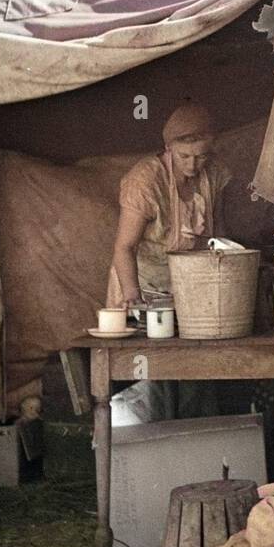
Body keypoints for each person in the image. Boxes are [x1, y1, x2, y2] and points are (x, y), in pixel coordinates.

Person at [107, 100, 234, 418]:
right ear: (167, 148)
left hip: (187, 292)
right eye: (184, 156)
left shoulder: (214, 174)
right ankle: (153, 456)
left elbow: (216, 237)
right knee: (152, 382)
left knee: (195, 375)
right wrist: (135, 300)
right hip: (142, 288)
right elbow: (124, 248)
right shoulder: (145, 181)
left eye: (201, 155)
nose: (193, 164)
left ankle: (194, 450)